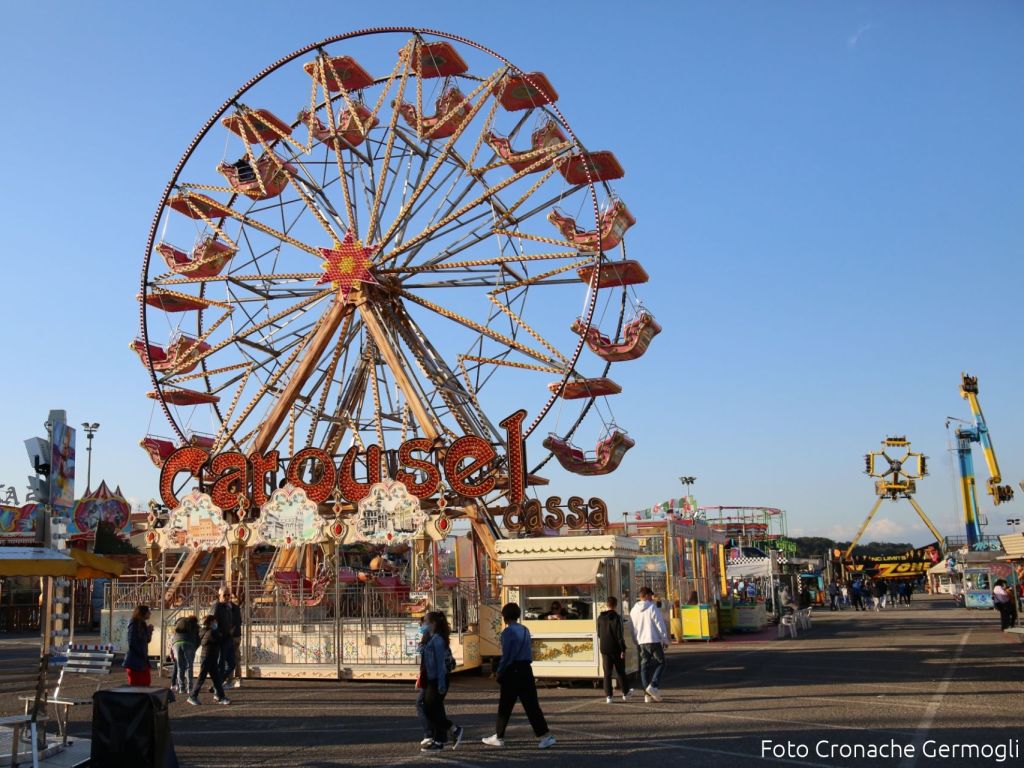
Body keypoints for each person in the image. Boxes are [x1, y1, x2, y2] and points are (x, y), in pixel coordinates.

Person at [481, 603, 556, 750]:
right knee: (532, 705)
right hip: (526, 669)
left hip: (512, 670)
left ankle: (499, 736)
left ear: (505, 617)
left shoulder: (507, 633)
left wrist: (499, 671)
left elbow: (507, 655)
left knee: (505, 705)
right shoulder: (525, 629)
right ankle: (545, 735)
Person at [419, 611, 463, 753]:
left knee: (429, 709)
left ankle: (453, 730)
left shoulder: (437, 640)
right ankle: (440, 740)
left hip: (437, 679)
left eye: (425, 622)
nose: (423, 624)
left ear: (433, 624)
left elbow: (440, 665)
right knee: (433, 709)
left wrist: (441, 684)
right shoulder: (431, 638)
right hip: (431, 679)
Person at [629, 586, 669, 703]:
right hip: (653, 639)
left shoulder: (633, 610)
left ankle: (647, 695)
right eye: (651, 595)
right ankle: (653, 685)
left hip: (641, 641)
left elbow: (632, 627)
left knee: (644, 666)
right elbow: (660, 624)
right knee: (661, 662)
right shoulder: (652, 607)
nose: (652, 597)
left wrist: (635, 640)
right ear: (646, 596)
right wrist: (665, 639)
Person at [596, 596, 634, 704]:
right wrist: (623, 649)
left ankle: (609, 696)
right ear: (616, 605)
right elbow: (619, 636)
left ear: (607, 604)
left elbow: (599, 634)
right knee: (620, 671)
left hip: (604, 648)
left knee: (607, 673)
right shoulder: (617, 618)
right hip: (616, 648)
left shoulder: (600, 617)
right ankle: (625, 693)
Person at [188, 615, 230, 705]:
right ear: (211, 623)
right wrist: (228, 634)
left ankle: (221, 697)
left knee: (216, 678)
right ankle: (192, 696)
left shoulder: (204, 631)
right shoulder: (211, 632)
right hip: (208, 657)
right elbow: (221, 640)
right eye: (215, 622)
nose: (216, 623)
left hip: (211, 657)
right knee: (202, 677)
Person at [212, 587, 237, 685]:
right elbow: (212, 622)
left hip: (228, 638)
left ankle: (218, 683)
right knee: (221, 664)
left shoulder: (228, 607)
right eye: (224, 595)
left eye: (228, 595)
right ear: (219, 596)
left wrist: (232, 629)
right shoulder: (216, 606)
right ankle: (217, 687)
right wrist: (218, 634)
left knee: (232, 664)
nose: (227, 597)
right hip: (221, 639)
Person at [124, 605, 153, 686]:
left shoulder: (143, 624)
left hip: (142, 660)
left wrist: (149, 631)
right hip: (135, 661)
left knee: (146, 682)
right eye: (148, 612)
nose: (150, 614)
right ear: (143, 613)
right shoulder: (134, 623)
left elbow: (147, 640)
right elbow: (131, 641)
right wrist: (140, 653)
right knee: (136, 685)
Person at [171, 614, 200, 694]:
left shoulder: (181, 622)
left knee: (180, 666)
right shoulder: (195, 626)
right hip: (189, 643)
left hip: (176, 643)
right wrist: (194, 648)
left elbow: (174, 634)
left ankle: (181, 688)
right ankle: (189, 688)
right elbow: (198, 639)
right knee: (189, 666)